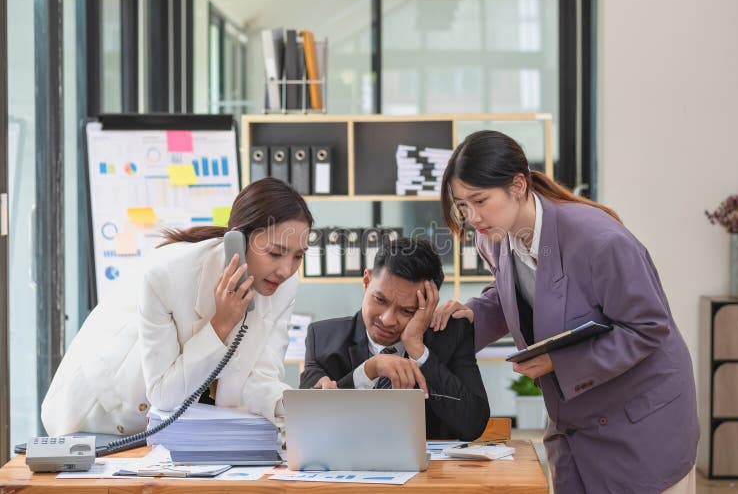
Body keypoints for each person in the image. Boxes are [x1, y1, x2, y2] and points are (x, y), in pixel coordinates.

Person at [431, 131, 699, 493]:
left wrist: (560, 362)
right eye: (462, 205)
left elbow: (648, 327)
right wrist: (471, 315)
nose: (472, 216)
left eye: (480, 200)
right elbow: (515, 295)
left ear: (519, 186)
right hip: (575, 424)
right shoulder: (493, 237)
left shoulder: (600, 241)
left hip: (641, 423)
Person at [42, 177, 312, 437]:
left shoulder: (283, 286)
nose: (286, 269)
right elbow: (163, 394)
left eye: (298, 256)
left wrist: (294, 406)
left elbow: (260, 376)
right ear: (237, 242)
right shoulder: (167, 275)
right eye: (275, 253)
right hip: (104, 417)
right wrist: (221, 324)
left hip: (180, 429)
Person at [300, 237, 490, 441]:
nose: (387, 320)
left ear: (429, 306)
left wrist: (418, 349)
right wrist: (368, 371)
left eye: (407, 310)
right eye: (380, 300)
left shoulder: (451, 335)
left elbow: (472, 424)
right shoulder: (322, 338)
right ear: (366, 281)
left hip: (429, 471)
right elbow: (310, 422)